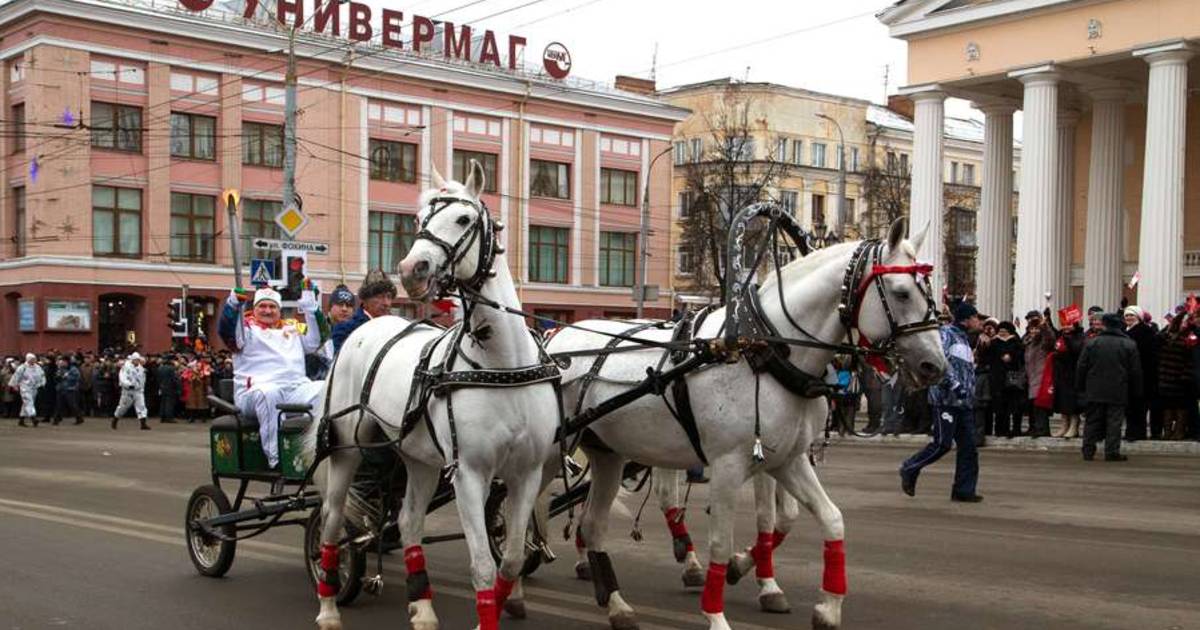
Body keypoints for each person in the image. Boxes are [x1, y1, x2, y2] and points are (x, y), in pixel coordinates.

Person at [218, 285, 323, 468]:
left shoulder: (292, 329)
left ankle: (319, 453)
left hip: (294, 389)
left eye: (272, 307)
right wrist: (233, 305)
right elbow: (227, 332)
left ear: (279, 310)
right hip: (254, 392)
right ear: (255, 308)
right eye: (263, 306)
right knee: (270, 394)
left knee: (324, 389)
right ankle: (277, 459)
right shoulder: (245, 330)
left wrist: (310, 306)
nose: (268, 310)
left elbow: (318, 340)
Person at [899, 301, 983, 502]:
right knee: (942, 444)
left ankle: (964, 490)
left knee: (969, 448)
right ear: (966, 319)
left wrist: (968, 392)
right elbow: (939, 363)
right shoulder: (946, 335)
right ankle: (909, 467)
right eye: (976, 317)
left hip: (963, 403)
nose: (979, 321)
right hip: (945, 400)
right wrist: (954, 386)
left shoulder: (965, 340)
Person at [1076, 313, 1141, 461]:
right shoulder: (1129, 344)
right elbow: (1135, 371)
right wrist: (1136, 391)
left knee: (1092, 420)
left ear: (1104, 325)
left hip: (1094, 388)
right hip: (1118, 389)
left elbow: (1081, 366)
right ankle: (1111, 451)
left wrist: (1080, 387)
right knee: (1114, 422)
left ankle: (1088, 450)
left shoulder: (1092, 343)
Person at [331, 269, 397, 354]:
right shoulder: (346, 329)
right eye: (379, 297)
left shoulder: (395, 328)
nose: (386, 303)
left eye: (389, 297)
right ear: (365, 299)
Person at [1156, 310, 1194, 440]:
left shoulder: (1190, 337)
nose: (1184, 324)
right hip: (1166, 376)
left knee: (1181, 406)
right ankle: (1167, 432)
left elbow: (1191, 359)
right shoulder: (1167, 335)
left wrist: (1185, 376)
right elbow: (1158, 341)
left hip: (1181, 378)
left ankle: (1179, 431)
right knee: (1167, 406)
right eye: (1183, 321)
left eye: (1187, 322)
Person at [1123, 306, 1157, 440]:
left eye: (1132, 315)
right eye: (1127, 316)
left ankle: (1138, 432)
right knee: (1129, 407)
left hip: (1142, 375)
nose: (1129, 318)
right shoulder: (1124, 331)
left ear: (1138, 317)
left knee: (1139, 406)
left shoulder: (1145, 332)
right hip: (1127, 375)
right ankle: (1131, 431)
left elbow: (1150, 356)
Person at [1022, 310, 1055, 438]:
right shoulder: (1027, 342)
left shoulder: (1043, 341)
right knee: (1032, 404)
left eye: (1036, 329)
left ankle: (1042, 429)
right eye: (1032, 329)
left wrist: (1044, 326)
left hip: (1042, 376)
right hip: (1030, 376)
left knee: (1040, 405)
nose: (1034, 331)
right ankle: (1033, 427)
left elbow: (1050, 339)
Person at [1052, 317, 1086, 438]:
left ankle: (1074, 425)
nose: (1066, 327)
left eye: (1069, 324)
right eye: (1064, 324)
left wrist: (1068, 340)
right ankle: (1064, 425)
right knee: (1062, 401)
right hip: (1061, 374)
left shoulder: (1080, 336)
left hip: (1073, 374)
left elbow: (1077, 350)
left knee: (1072, 403)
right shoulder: (1060, 336)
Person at [112, 353, 150, 430]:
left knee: (141, 406)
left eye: (138, 360)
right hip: (128, 391)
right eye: (136, 360)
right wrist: (128, 384)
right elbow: (122, 378)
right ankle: (115, 419)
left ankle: (143, 423)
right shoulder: (126, 367)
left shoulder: (140, 368)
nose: (138, 361)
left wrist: (141, 387)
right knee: (123, 407)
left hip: (138, 391)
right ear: (132, 360)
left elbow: (142, 379)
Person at [8, 354, 46, 427]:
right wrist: (14, 385)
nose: (33, 360)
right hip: (25, 388)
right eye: (32, 359)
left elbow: (42, 376)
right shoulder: (22, 368)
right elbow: (16, 376)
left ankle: (21, 420)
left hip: (34, 388)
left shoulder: (37, 367)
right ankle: (33, 418)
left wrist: (42, 384)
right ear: (28, 359)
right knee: (29, 402)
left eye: (34, 359)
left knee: (26, 404)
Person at [53, 356, 84, 425]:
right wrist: (58, 377)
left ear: (67, 362)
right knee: (59, 405)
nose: (62, 363)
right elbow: (57, 376)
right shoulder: (61, 368)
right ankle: (56, 419)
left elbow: (77, 377)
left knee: (72, 405)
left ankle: (79, 417)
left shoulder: (73, 369)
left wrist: (67, 377)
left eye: (64, 362)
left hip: (70, 389)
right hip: (61, 388)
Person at [157, 355, 181, 424]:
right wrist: (178, 387)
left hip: (162, 386)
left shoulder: (160, 368)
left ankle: (162, 417)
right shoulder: (172, 368)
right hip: (170, 387)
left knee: (163, 402)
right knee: (169, 403)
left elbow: (158, 378)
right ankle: (169, 417)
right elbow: (174, 379)